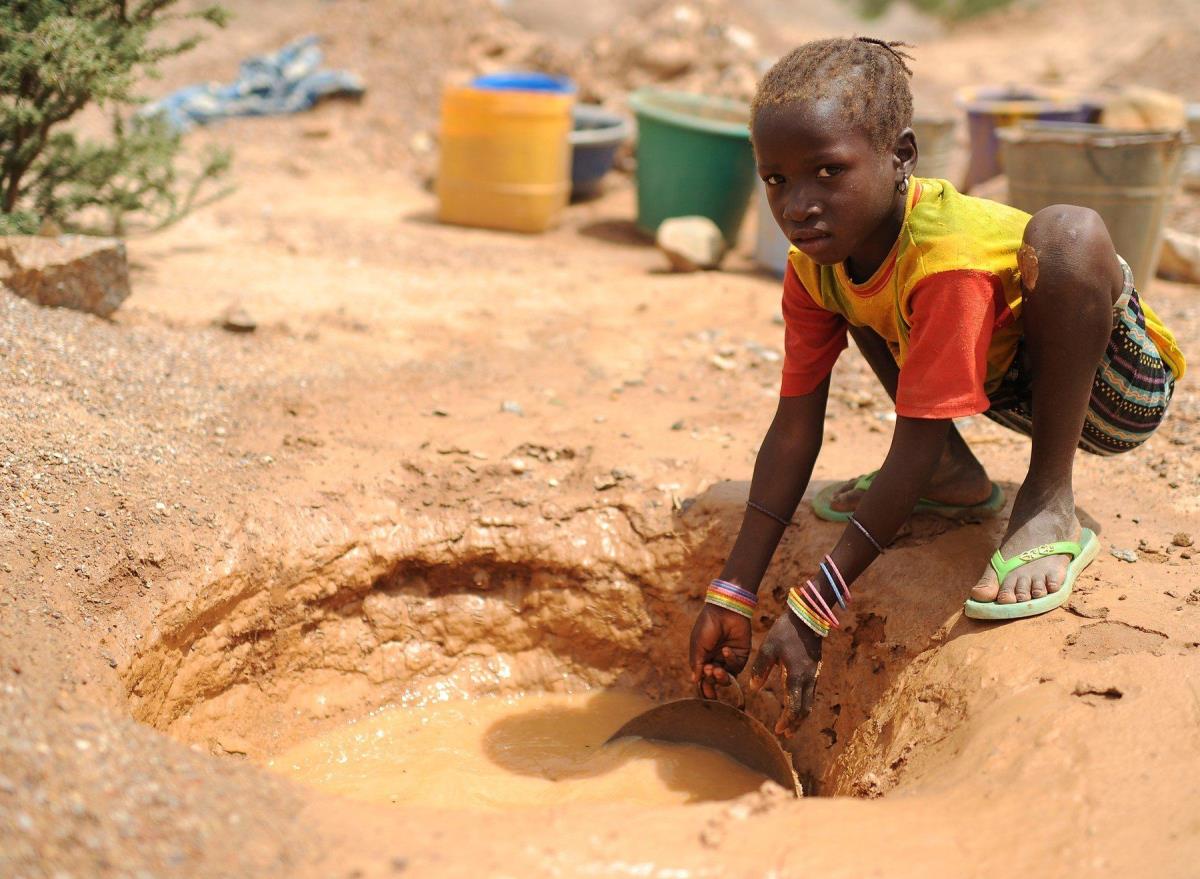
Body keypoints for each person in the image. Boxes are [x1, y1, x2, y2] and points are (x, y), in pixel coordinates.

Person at [688, 37, 1185, 736]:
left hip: (1107, 385)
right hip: (1001, 375)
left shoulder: (944, 259)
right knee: (853, 285)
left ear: (902, 157)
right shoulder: (814, 264)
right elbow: (795, 424)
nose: (799, 205)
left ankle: (1047, 500)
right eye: (776, 180)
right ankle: (955, 478)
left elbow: (908, 443)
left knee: (1068, 233)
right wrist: (733, 590)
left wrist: (813, 607)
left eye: (828, 171)